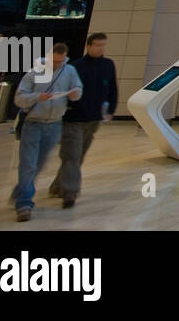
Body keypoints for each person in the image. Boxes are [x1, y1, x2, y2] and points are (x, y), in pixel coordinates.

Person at [12, 43, 83, 222]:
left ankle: (21, 191)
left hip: (54, 124)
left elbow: (78, 90)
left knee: (39, 164)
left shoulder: (70, 71)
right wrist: (37, 97)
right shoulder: (34, 72)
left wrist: (74, 94)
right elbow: (19, 98)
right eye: (55, 61)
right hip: (33, 124)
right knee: (28, 164)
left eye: (61, 61)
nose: (58, 64)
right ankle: (24, 204)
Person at [47, 32, 117, 207]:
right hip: (73, 119)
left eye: (103, 45)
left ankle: (57, 186)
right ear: (89, 46)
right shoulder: (74, 67)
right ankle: (70, 192)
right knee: (72, 155)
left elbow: (112, 87)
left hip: (93, 119)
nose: (101, 49)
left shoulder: (108, 65)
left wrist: (111, 109)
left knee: (78, 155)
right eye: (98, 45)